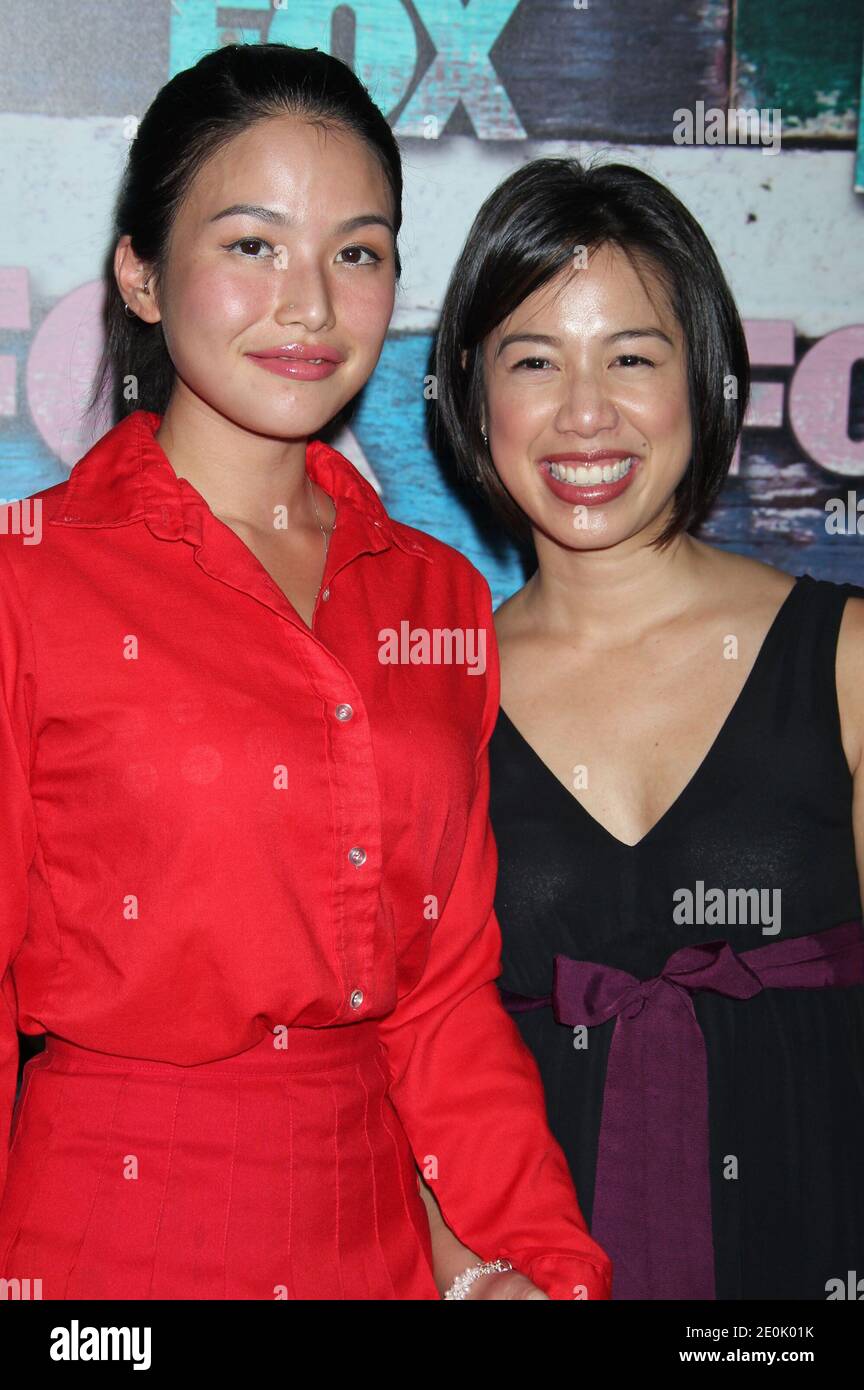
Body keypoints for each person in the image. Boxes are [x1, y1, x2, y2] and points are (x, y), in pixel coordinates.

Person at [0, 50, 612, 1302]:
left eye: (357, 252)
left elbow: (441, 1003)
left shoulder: (438, 599)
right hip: (105, 1245)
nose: (313, 308)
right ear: (140, 275)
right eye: (252, 245)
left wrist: (528, 1258)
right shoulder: (31, 581)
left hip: (371, 1236)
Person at [421, 155, 864, 1299]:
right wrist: (470, 1276)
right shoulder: (433, 693)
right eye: (535, 361)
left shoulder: (844, 660)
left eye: (630, 357)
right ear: (474, 393)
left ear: (705, 379)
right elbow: (406, 1050)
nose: (584, 413)